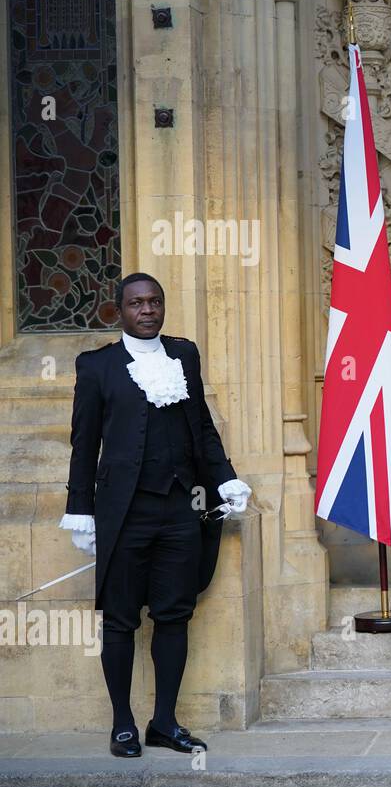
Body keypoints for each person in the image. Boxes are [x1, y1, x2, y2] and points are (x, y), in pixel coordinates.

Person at [59, 272, 252, 758]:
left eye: (154, 302)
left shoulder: (184, 355)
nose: (147, 311)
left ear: (163, 307)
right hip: (123, 513)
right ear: (119, 310)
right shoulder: (97, 367)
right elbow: (84, 447)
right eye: (136, 303)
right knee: (120, 620)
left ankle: (164, 722)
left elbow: (202, 427)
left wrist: (225, 477)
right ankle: (122, 724)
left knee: (174, 615)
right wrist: (80, 511)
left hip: (181, 510)